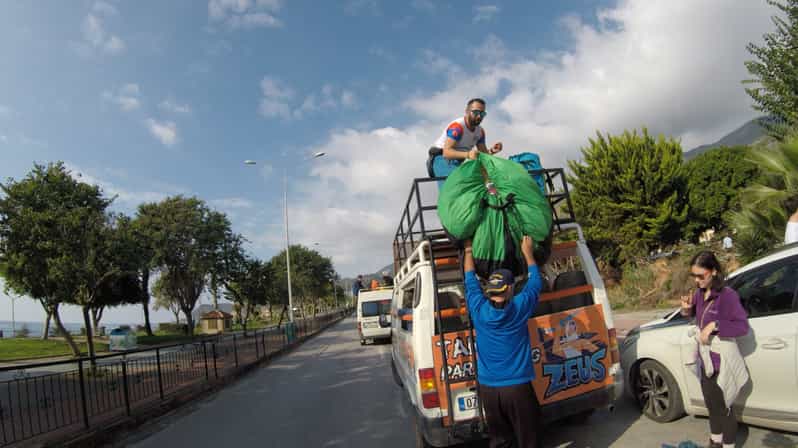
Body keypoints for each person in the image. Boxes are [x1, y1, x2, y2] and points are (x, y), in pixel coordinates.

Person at [463, 235, 542, 448]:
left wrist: (468, 250)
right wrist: (527, 253)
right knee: (529, 440)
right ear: (508, 289)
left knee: (500, 442)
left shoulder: (478, 309)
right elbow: (535, 282)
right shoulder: (519, 308)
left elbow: (470, 279)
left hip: (488, 389)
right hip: (517, 388)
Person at [680, 251, 749, 448]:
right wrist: (687, 310)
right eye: (694, 275)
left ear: (714, 272)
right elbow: (698, 319)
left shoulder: (728, 296)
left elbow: (742, 326)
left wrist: (716, 325)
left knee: (724, 409)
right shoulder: (700, 294)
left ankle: (728, 445)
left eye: (701, 276)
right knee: (712, 406)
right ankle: (715, 442)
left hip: (721, 363)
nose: (696, 280)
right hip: (705, 361)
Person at [427, 98, 503, 181]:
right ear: (467, 111)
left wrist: (492, 151)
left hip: (458, 162)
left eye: (482, 114)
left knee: (479, 179)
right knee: (458, 183)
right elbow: (446, 153)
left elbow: (484, 156)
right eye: (476, 112)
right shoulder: (458, 127)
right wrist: (468, 155)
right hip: (441, 159)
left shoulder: (480, 132)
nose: (479, 116)